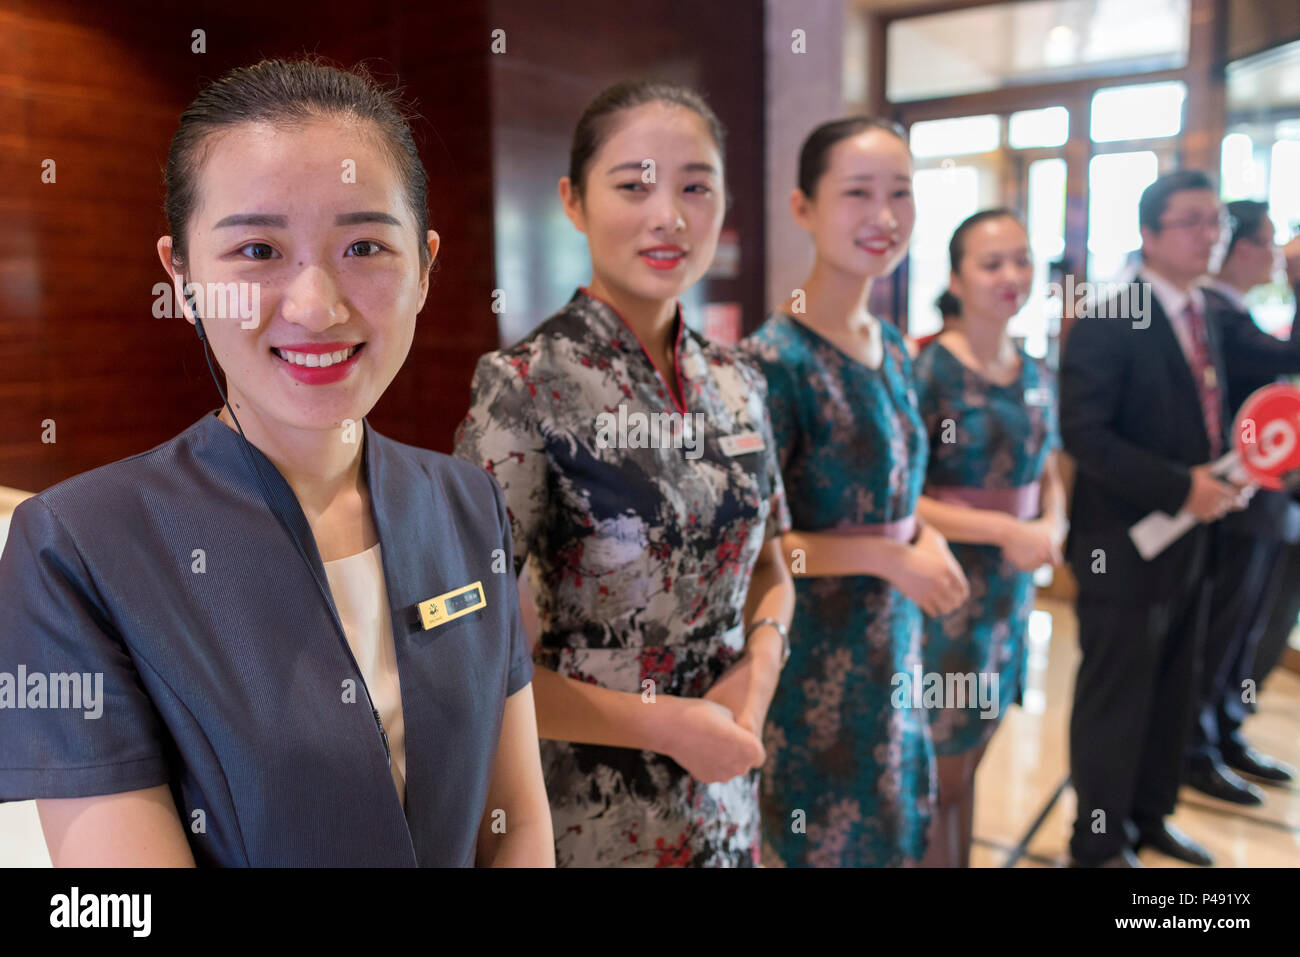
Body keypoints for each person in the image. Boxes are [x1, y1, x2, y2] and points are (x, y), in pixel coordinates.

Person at [0, 58, 553, 867]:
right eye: (257, 249)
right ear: (182, 278)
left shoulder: (467, 503)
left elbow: (519, 824)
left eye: (364, 244)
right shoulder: (75, 548)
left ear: (426, 266)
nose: (315, 306)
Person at [454, 80, 795, 867]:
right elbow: (473, 653)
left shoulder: (741, 379)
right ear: (573, 201)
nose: (667, 214)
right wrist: (669, 724)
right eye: (633, 185)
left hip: (728, 788)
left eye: (694, 187)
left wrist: (763, 665)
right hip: (592, 812)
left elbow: (776, 557)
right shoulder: (524, 385)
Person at [741, 117, 968, 867]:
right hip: (814, 671)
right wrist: (890, 558)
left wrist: (923, 542)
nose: (883, 216)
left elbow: (904, 496)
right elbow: (757, 550)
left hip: (896, 656)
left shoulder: (897, 345)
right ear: (803, 207)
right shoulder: (772, 362)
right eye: (858, 193)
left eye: (900, 193)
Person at [1061, 170, 1250, 868]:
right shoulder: (1110, 317)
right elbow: (1084, 434)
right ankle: (1097, 840)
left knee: (1176, 683)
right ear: (1149, 232)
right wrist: (1181, 486)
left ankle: (1150, 815)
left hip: (1193, 535)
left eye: (1218, 222)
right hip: (1121, 542)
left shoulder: (1207, 314)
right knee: (1118, 692)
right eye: (1194, 220)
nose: (1211, 235)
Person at [911, 209, 1068, 867]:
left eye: (1022, 259)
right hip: (945, 594)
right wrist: (1004, 528)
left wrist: (1053, 525)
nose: (1012, 275)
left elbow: (1050, 470)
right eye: (991, 262)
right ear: (956, 276)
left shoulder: (1035, 370)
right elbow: (902, 500)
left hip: (1011, 595)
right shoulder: (928, 369)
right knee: (944, 772)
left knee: (977, 758)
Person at [1189, 201, 1300, 803]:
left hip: (1264, 499)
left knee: (1247, 629)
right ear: (1240, 248)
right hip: (1233, 499)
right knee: (1224, 626)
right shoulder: (1215, 316)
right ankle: (1198, 744)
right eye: (1269, 241)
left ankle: (1225, 730)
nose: (1279, 254)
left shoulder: (1236, 314)